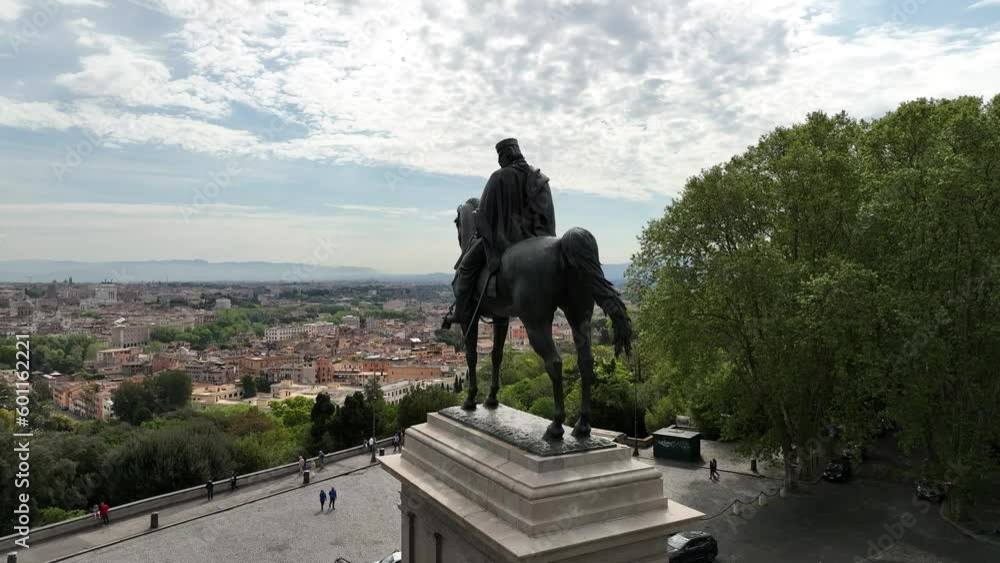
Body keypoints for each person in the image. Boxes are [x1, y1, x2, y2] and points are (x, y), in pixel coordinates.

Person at [443, 138, 555, 329]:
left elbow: (483, 217)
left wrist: (493, 247)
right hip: (538, 240)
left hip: (505, 241)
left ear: (505, 155)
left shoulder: (499, 177)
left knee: (466, 268)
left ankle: (461, 311)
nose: (499, 162)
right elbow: (548, 216)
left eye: (500, 157)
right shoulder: (540, 179)